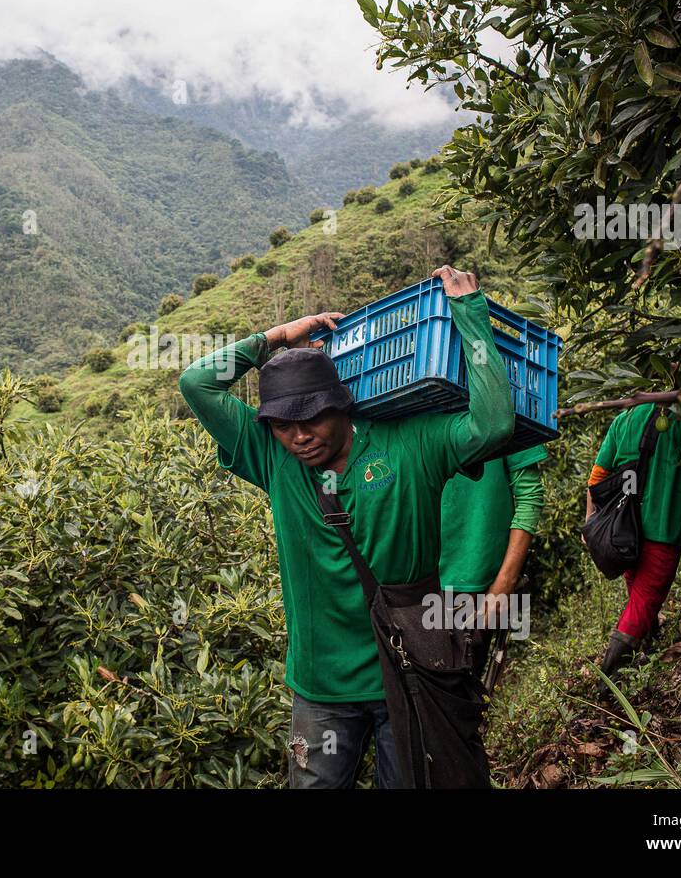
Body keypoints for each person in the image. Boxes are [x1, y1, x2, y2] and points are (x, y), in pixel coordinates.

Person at [178, 265, 514, 788]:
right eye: (284, 424)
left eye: (311, 417)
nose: (299, 436)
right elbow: (195, 382)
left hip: (407, 674)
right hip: (320, 690)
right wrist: (278, 338)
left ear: (342, 403)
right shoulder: (271, 456)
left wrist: (470, 314)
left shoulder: (410, 443)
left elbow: (494, 424)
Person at [585, 403, 681, 678]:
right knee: (644, 599)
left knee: (639, 596)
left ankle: (648, 650)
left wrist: (590, 523)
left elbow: (597, 477)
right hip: (661, 526)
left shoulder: (625, 418)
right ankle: (609, 680)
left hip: (623, 531)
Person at [438, 443, 547, 682]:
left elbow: (529, 495)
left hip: (476, 587)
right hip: (408, 585)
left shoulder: (508, 409)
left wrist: (503, 585)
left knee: (460, 695)